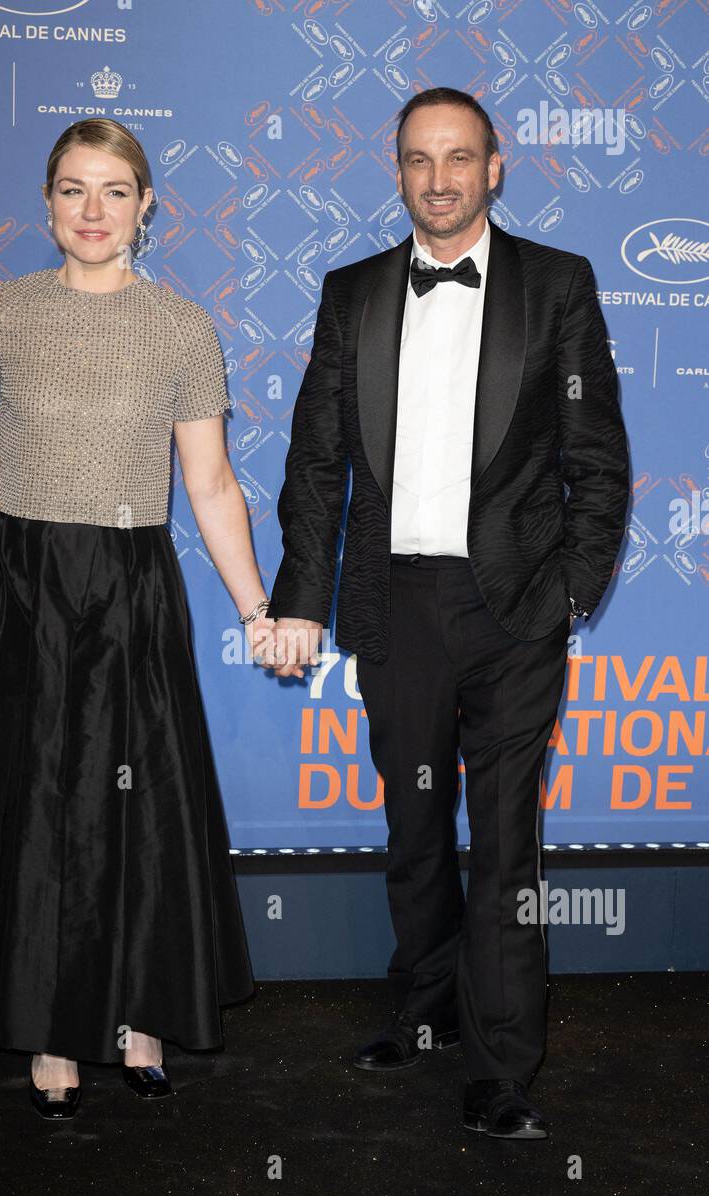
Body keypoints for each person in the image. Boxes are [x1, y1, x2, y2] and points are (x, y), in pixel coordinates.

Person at [0, 118, 274, 1119]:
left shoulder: (181, 327)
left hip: (129, 584)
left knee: (131, 808)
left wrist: (254, 605)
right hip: (18, 586)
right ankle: (47, 1029)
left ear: (147, 206)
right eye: (74, 190)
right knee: (38, 802)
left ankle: (135, 1016)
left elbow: (210, 483)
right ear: (46, 206)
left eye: (115, 190)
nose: (94, 211)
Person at [263, 88, 630, 1140]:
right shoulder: (353, 294)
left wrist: (567, 591)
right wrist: (300, 598)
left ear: (493, 166)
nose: (438, 178)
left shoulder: (554, 284)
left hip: (511, 607)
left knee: (504, 842)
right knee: (414, 829)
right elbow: (314, 463)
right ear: (396, 169)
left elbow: (594, 459)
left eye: (457, 157)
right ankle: (422, 1015)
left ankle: (502, 1062)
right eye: (419, 159)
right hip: (396, 603)